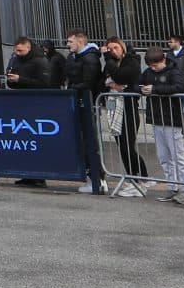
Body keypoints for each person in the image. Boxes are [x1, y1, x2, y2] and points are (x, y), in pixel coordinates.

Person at [140, 47, 184, 204]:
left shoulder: (173, 71)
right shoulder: (148, 72)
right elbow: (137, 84)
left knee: (177, 155)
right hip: (156, 119)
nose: (153, 69)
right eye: (151, 66)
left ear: (163, 60)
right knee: (163, 156)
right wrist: (143, 90)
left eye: (155, 65)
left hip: (171, 119)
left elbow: (180, 87)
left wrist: (154, 89)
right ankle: (172, 186)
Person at [59, 30, 106, 195]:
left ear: (79, 42)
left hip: (87, 103)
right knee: (83, 142)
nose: (67, 45)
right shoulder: (74, 57)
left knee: (89, 142)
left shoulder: (90, 58)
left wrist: (71, 90)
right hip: (79, 102)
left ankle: (98, 179)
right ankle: (93, 178)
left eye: (70, 42)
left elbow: (88, 83)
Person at [99, 38, 148, 195]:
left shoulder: (132, 61)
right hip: (113, 105)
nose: (113, 51)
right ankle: (132, 177)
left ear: (122, 47)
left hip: (128, 107)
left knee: (128, 145)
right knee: (121, 146)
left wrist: (107, 59)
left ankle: (140, 177)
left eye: (116, 47)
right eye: (110, 49)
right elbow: (104, 81)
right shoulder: (110, 64)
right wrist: (111, 84)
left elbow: (120, 76)